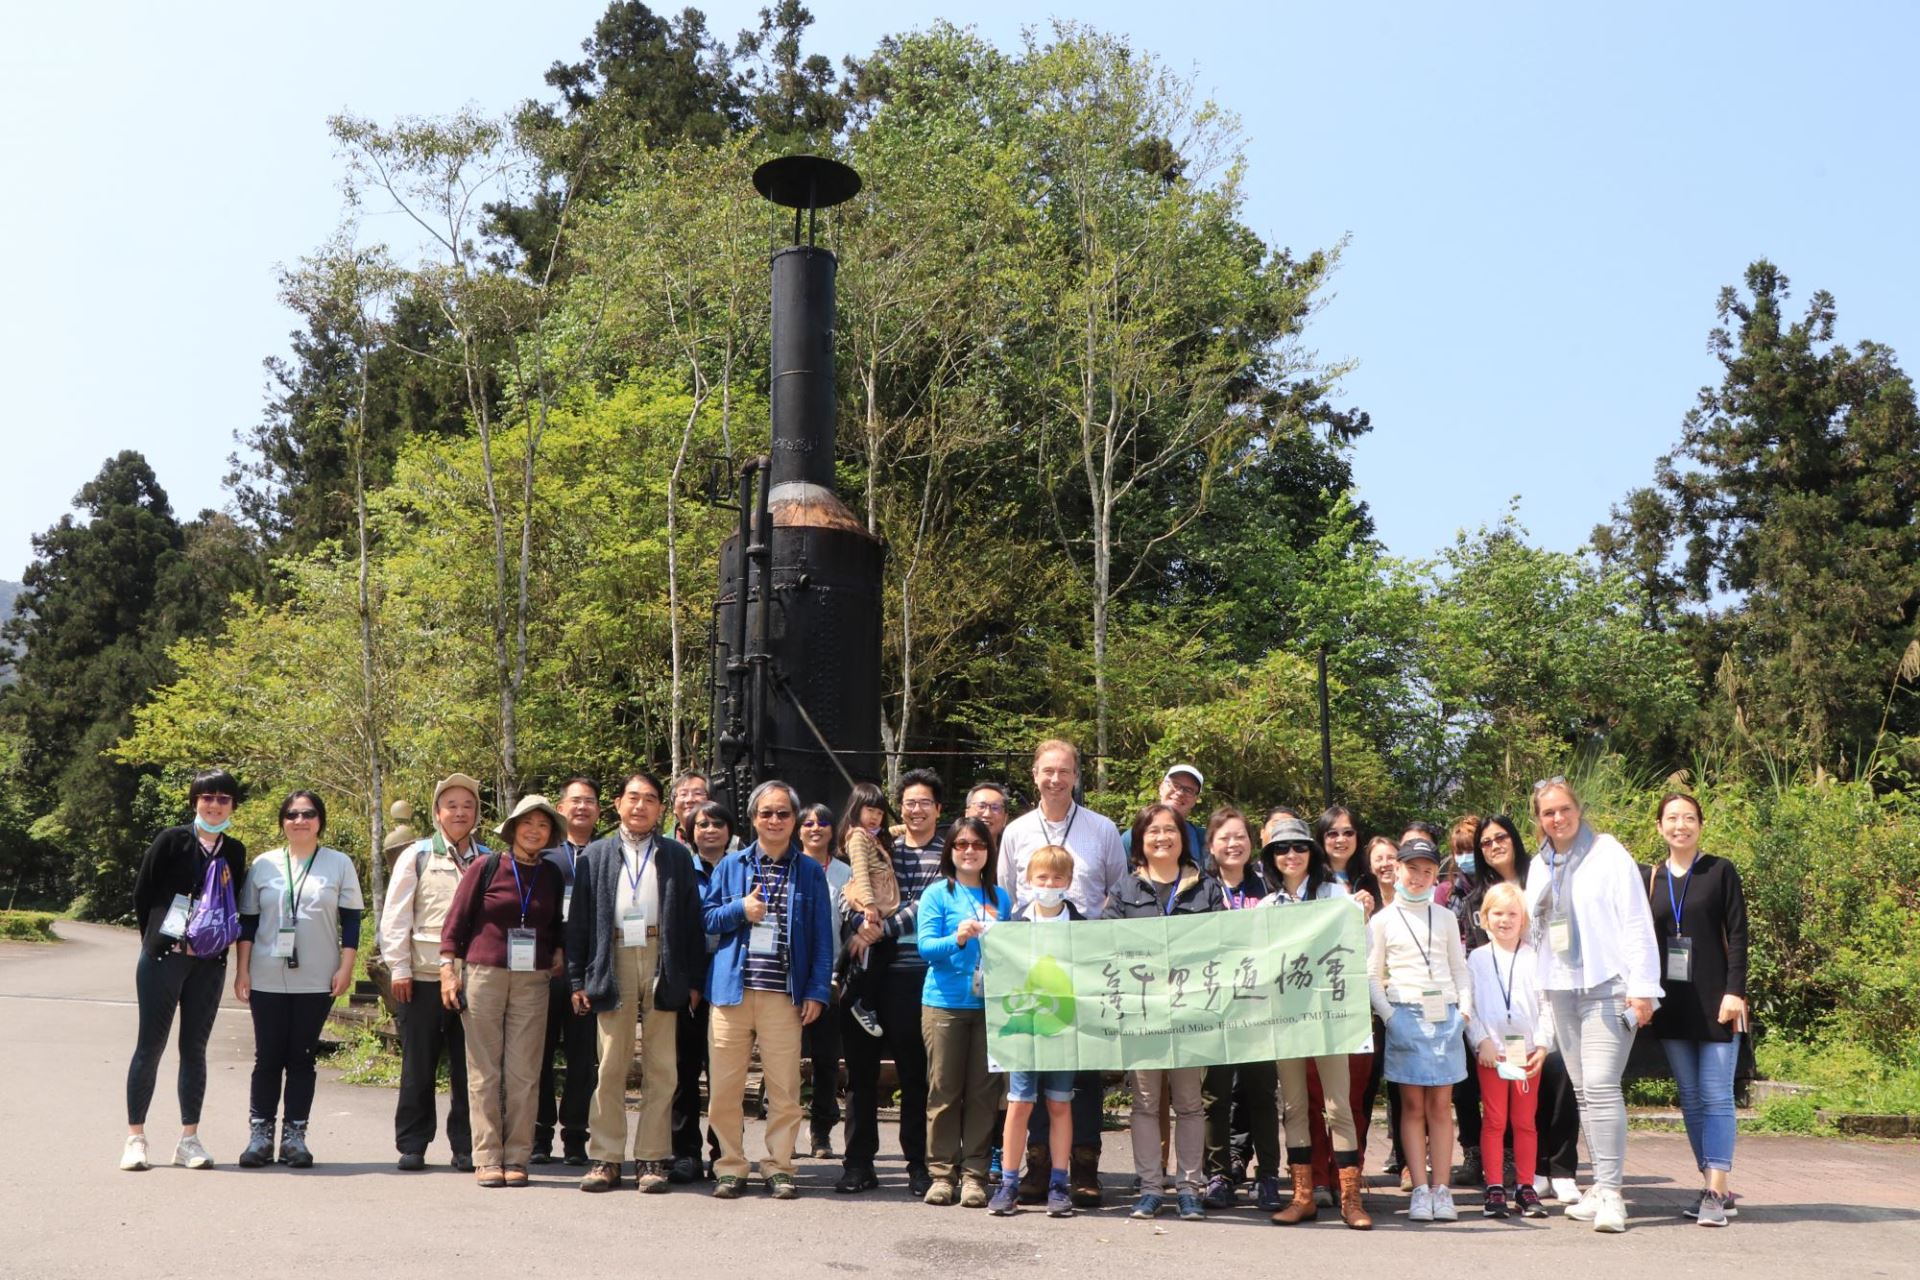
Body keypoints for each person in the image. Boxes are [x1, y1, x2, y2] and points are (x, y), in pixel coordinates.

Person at [1523, 777, 1662, 1233]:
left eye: (1564, 809)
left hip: (1608, 985)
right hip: (1561, 988)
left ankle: (1613, 1194)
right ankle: (1599, 1188)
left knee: (1602, 1085)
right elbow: (1536, 933)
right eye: (1548, 813)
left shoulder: (1608, 853)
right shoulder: (1540, 865)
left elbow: (1636, 921)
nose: (1557, 818)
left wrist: (1643, 987)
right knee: (1584, 1089)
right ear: (1538, 820)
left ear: (1578, 810)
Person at [998, 738, 1128, 1206]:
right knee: (1031, 1071)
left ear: (1077, 776)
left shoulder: (1102, 829)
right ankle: (1035, 1167)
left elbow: (1119, 890)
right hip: (1030, 968)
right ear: (1034, 774)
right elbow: (1006, 895)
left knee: (1082, 1073)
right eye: (1047, 770)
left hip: (1085, 965)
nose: (1056, 779)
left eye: (1065, 771)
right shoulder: (1015, 831)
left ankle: (1085, 1166)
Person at [567, 771, 706, 1194]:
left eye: (650, 799)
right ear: (618, 803)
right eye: (633, 797)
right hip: (613, 958)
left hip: (661, 956)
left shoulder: (677, 856)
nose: (641, 806)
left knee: (662, 1067)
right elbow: (579, 924)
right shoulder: (595, 854)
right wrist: (578, 978)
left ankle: (652, 1157)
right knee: (611, 1063)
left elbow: (690, 923)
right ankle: (606, 1158)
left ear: (661, 809)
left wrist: (693, 977)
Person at [702, 780, 834, 1199]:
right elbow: (705, 919)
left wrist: (816, 991)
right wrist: (741, 910)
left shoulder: (810, 871)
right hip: (731, 992)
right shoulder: (731, 865)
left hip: (784, 995)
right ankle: (731, 1166)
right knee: (724, 1088)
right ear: (754, 818)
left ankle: (779, 1166)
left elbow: (821, 940)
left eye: (783, 813)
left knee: (784, 1089)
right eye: (766, 813)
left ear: (794, 820)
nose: (774, 820)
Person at [122, 769, 249, 1172]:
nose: (215, 805)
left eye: (224, 799)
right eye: (207, 797)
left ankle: (188, 1140)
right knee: (150, 1047)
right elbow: (143, 892)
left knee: (194, 1050)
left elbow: (237, 901)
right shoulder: (172, 840)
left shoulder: (235, 851)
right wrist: (159, 939)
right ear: (195, 801)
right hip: (164, 957)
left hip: (209, 962)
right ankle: (135, 1138)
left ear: (233, 806)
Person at [439, 794, 567, 1187]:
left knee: (525, 1071)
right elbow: (455, 923)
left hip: (533, 980)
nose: (534, 831)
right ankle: (487, 1155)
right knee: (484, 1070)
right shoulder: (487, 866)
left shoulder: (551, 874)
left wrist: (558, 954)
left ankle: (517, 1156)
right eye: (527, 823)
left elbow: (554, 926)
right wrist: (448, 970)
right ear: (512, 829)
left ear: (550, 834)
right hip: (484, 974)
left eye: (543, 825)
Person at [1107, 803, 1226, 1222]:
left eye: (1170, 830)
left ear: (1183, 838)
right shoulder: (1124, 890)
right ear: (1140, 840)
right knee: (1143, 1103)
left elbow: (1223, 944)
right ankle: (1151, 1188)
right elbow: (1106, 948)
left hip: (1191, 1012)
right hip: (1143, 1015)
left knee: (1191, 1104)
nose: (1162, 837)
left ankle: (1190, 1188)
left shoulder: (1206, 888)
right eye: (1153, 831)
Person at [233, 790, 362, 1168]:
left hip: (318, 976)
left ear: (320, 820)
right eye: (292, 814)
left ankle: (295, 1138)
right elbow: (249, 922)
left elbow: (351, 920)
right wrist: (242, 970)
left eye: (308, 814)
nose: (300, 820)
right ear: (282, 821)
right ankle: (260, 1135)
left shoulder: (338, 864)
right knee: (267, 1057)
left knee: (302, 1058)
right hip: (266, 975)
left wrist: (346, 966)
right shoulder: (264, 865)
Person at [1261, 816, 1372, 1230]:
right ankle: (1303, 1196)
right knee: (1292, 1106)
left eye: (1300, 847)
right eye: (1282, 849)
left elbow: (1359, 949)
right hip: (1286, 1017)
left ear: (1313, 853)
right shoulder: (1267, 906)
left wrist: (1359, 916)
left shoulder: (1333, 894)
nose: (1291, 855)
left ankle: (1350, 1199)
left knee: (1337, 1104)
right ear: (1272, 857)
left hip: (1329, 1015)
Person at [838, 769, 945, 1197]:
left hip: (913, 974)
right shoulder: (878, 841)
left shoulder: (947, 850)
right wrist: (858, 926)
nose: (915, 810)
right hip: (867, 969)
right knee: (860, 1074)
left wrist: (881, 929)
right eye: (909, 802)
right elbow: (854, 888)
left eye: (925, 803)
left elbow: (928, 904)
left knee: (914, 1074)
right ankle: (858, 1163)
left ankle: (918, 1164)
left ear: (939, 808)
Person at [1645, 792, 1749, 1228]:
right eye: (1672, 818)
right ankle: (1713, 1187)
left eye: (1688, 818)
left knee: (1716, 1094)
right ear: (1659, 827)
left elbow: (1739, 935)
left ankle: (1715, 1188)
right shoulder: (1651, 877)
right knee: (1689, 1098)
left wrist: (1735, 992)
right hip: (1673, 1005)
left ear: (1700, 825)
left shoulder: (1720, 870)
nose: (1680, 825)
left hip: (1716, 1002)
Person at [381, 774, 488, 1172]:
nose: (460, 812)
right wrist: (399, 967)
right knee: (418, 1065)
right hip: (422, 977)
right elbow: (396, 915)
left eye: (468, 805)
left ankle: (466, 1145)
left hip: (473, 980)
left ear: (476, 813)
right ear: (437, 811)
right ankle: (412, 1143)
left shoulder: (487, 859)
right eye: (452, 805)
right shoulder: (418, 855)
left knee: (469, 1068)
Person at [1369, 836, 1473, 1224]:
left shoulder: (1444, 915)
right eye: (1411, 869)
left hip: (1444, 1015)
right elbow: (1372, 975)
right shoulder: (1381, 921)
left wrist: (1463, 1012)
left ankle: (1442, 1190)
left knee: (1441, 1107)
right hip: (1405, 1013)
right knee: (1411, 1106)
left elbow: (1459, 968)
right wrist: (1391, 1017)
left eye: (1427, 871)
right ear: (1396, 869)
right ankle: (1419, 1189)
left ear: (1436, 876)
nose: (1418, 877)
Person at [916, 815, 1012, 1207]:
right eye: (961, 844)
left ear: (988, 851)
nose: (970, 851)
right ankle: (941, 1174)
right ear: (950, 851)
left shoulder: (1000, 896)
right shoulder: (939, 894)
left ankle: (974, 1176)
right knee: (944, 1092)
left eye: (978, 844)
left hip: (990, 1007)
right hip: (945, 1004)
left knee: (983, 1094)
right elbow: (925, 949)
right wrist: (956, 939)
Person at [989, 844, 1082, 1218]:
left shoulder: (1082, 925)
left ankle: (1060, 1183)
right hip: (1024, 1030)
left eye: (1057, 877)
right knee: (1019, 1103)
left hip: (1064, 1028)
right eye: (1042, 877)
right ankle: (1008, 1182)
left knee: (1059, 1103)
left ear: (1069, 881)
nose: (1049, 884)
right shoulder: (1013, 925)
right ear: (1028, 880)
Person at [1196, 807, 1280, 1211]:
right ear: (1211, 845)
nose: (1233, 844)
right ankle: (1218, 1174)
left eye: (1240, 837)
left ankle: (1267, 1176)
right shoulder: (1198, 889)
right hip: (1213, 1005)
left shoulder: (1267, 887)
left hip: (1260, 1005)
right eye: (1225, 838)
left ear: (1252, 843)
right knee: (1214, 1094)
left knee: (1262, 1091)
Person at [1464, 882, 1551, 1220]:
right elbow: (1469, 1004)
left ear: (1524, 919)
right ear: (1485, 918)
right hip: (1493, 1053)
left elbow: (1546, 1004)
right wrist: (1480, 1040)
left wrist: (1543, 1043)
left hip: (1526, 1052)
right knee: (1495, 1120)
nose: (1505, 920)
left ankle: (1526, 1187)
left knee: (1525, 1122)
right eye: (1497, 913)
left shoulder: (1534, 957)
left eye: (1512, 914)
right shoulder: (1477, 957)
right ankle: (1495, 1187)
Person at [534, 775, 601, 1166]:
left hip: (590, 971)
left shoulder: (608, 853)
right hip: (544, 969)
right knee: (537, 1055)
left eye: (589, 801)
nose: (581, 807)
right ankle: (539, 1135)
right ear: (561, 809)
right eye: (574, 801)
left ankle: (576, 1137)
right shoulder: (543, 854)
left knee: (583, 1059)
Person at [669, 799, 735, 1182]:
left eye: (717, 823)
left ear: (730, 830)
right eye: (702, 824)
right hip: (689, 985)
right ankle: (685, 1153)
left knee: (726, 1074)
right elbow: (679, 929)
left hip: (729, 983)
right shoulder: (679, 868)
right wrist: (692, 979)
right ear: (690, 832)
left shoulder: (742, 868)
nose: (709, 830)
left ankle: (725, 1152)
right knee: (684, 1071)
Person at [797, 801, 850, 1159]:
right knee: (782, 1060)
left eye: (823, 822)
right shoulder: (787, 866)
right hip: (789, 978)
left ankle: (821, 1131)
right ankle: (781, 1128)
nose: (815, 828)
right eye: (808, 823)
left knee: (827, 1060)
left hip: (832, 977)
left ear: (833, 830)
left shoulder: (846, 873)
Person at [836, 780, 898, 1041]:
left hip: (878, 898)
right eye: (870, 810)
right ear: (856, 809)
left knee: (872, 945)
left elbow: (893, 831)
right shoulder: (859, 837)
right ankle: (856, 999)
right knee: (879, 949)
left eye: (879, 812)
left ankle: (839, 975)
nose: (875, 817)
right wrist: (869, 905)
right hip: (870, 897)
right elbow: (860, 870)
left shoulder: (873, 836)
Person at [1445, 814, 1485, 1189]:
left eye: (1470, 849)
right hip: (1461, 997)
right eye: (1459, 851)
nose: (1465, 857)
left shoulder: (1498, 887)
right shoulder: (1449, 894)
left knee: (1501, 1076)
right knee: (1465, 1083)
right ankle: (1472, 1151)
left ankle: (1506, 1154)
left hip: (1500, 994)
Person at [1120, 765, 1208, 867]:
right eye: (1175, 785)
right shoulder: (1132, 838)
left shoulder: (1204, 839)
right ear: (1161, 788)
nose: (1179, 793)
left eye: (1188, 790)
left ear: (1195, 800)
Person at [964, 780, 1013, 850]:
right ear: (967, 813)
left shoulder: (1013, 855)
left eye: (995, 808)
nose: (987, 814)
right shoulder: (951, 852)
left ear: (1005, 818)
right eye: (981, 806)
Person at [670, 771, 711, 845]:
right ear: (674, 807)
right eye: (683, 794)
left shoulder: (731, 844)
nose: (690, 799)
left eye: (698, 793)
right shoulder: (660, 846)